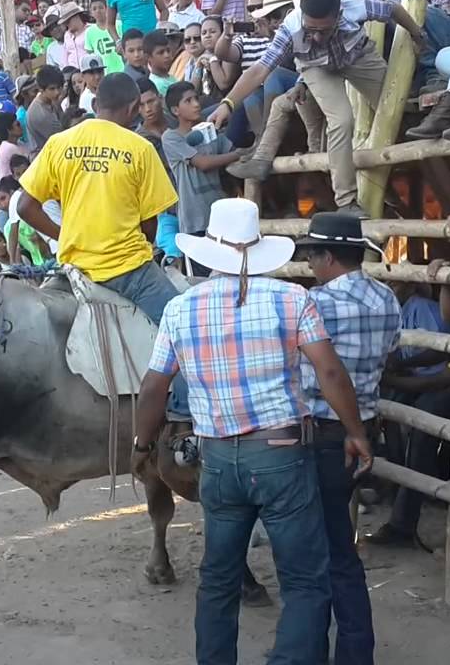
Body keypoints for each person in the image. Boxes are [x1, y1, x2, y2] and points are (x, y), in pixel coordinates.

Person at [131, 198, 373, 665]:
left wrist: (143, 444)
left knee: (217, 579)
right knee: (303, 579)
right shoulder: (292, 298)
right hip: (282, 452)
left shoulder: (182, 309)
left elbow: (153, 388)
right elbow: (330, 373)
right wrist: (356, 431)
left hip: (219, 457)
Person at [17, 73, 188, 415]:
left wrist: (64, 235)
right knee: (186, 327)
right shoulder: (139, 148)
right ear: (133, 109)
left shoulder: (60, 142)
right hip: (128, 270)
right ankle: (182, 414)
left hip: (74, 266)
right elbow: (150, 220)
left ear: (96, 105)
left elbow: (24, 207)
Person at [210, 0, 426, 216]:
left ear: (339, 14)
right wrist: (228, 103)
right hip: (315, 68)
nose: (315, 36)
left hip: (357, 57)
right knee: (341, 120)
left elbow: (393, 8)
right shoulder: (291, 27)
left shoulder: (356, 3)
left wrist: (416, 33)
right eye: (310, 29)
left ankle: (388, 181)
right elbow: (259, 70)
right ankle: (347, 201)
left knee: (393, 111)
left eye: (323, 30)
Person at [295, 212, 402, 665]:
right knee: (337, 541)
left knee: (327, 553)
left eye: (313, 255)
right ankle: (348, 651)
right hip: (362, 430)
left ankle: (331, 653)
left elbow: (315, 372)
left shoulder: (315, 304)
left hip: (322, 432)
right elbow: (390, 358)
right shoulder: (387, 299)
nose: (310, 264)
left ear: (327, 257)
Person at [162, 82, 240, 238]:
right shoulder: (171, 137)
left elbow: (230, 150)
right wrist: (240, 154)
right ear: (175, 110)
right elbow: (202, 163)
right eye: (188, 101)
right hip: (194, 218)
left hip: (218, 213)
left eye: (196, 98)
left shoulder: (209, 130)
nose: (196, 104)